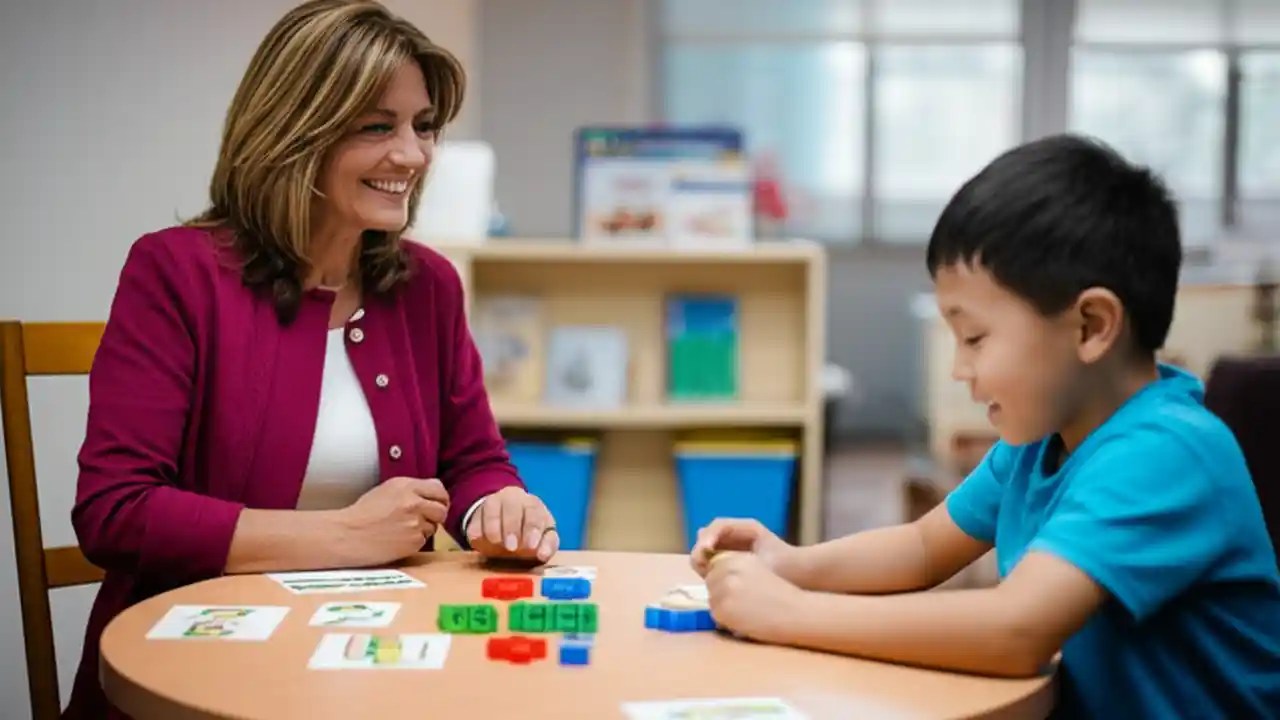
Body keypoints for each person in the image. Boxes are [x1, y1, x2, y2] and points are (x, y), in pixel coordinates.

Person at [67, 2, 558, 716]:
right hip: (200, 672)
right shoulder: (173, 271)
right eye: (377, 127)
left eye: (423, 127)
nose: (414, 156)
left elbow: (472, 459)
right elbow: (115, 511)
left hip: (380, 658)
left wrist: (499, 505)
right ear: (295, 133)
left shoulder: (429, 285)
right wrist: (344, 536)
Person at [691, 135, 1280, 718]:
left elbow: (1016, 630)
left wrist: (790, 614)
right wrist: (793, 565)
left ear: (1091, 325)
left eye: (975, 338)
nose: (959, 369)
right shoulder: (1045, 438)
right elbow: (922, 548)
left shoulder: (1165, 451)